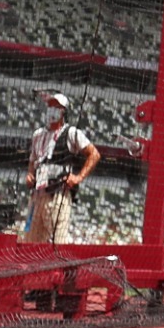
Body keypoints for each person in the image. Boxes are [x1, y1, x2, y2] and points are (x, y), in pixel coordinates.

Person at [23, 92, 98, 244]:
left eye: (56, 107)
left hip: (58, 193)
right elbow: (32, 160)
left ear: (64, 111)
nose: (51, 109)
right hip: (38, 194)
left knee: (58, 242)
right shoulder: (38, 135)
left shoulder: (71, 133)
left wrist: (78, 177)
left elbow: (94, 154)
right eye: (50, 106)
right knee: (30, 240)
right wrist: (30, 174)